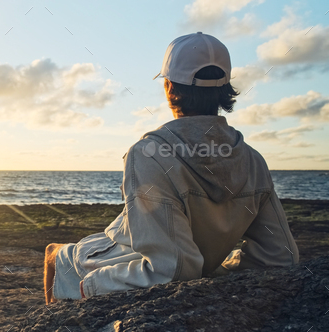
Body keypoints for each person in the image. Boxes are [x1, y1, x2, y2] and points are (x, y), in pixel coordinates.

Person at [44, 32, 299, 304]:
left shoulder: (149, 154)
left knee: (54, 255)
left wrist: (93, 285)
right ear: (224, 90)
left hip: (139, 258)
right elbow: (281, 256)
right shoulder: (252, 160)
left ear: (169, 88)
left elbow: (173, 269)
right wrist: (220, 272)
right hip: (186, 261)